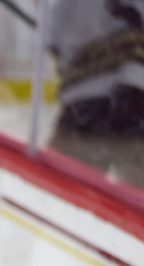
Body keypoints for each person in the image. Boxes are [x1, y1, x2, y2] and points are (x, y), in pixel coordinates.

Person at [47, 0, 144, 187]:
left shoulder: (65, 7)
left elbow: (56, 42)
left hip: (87, 111)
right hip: (134, 106)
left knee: (58, 192)